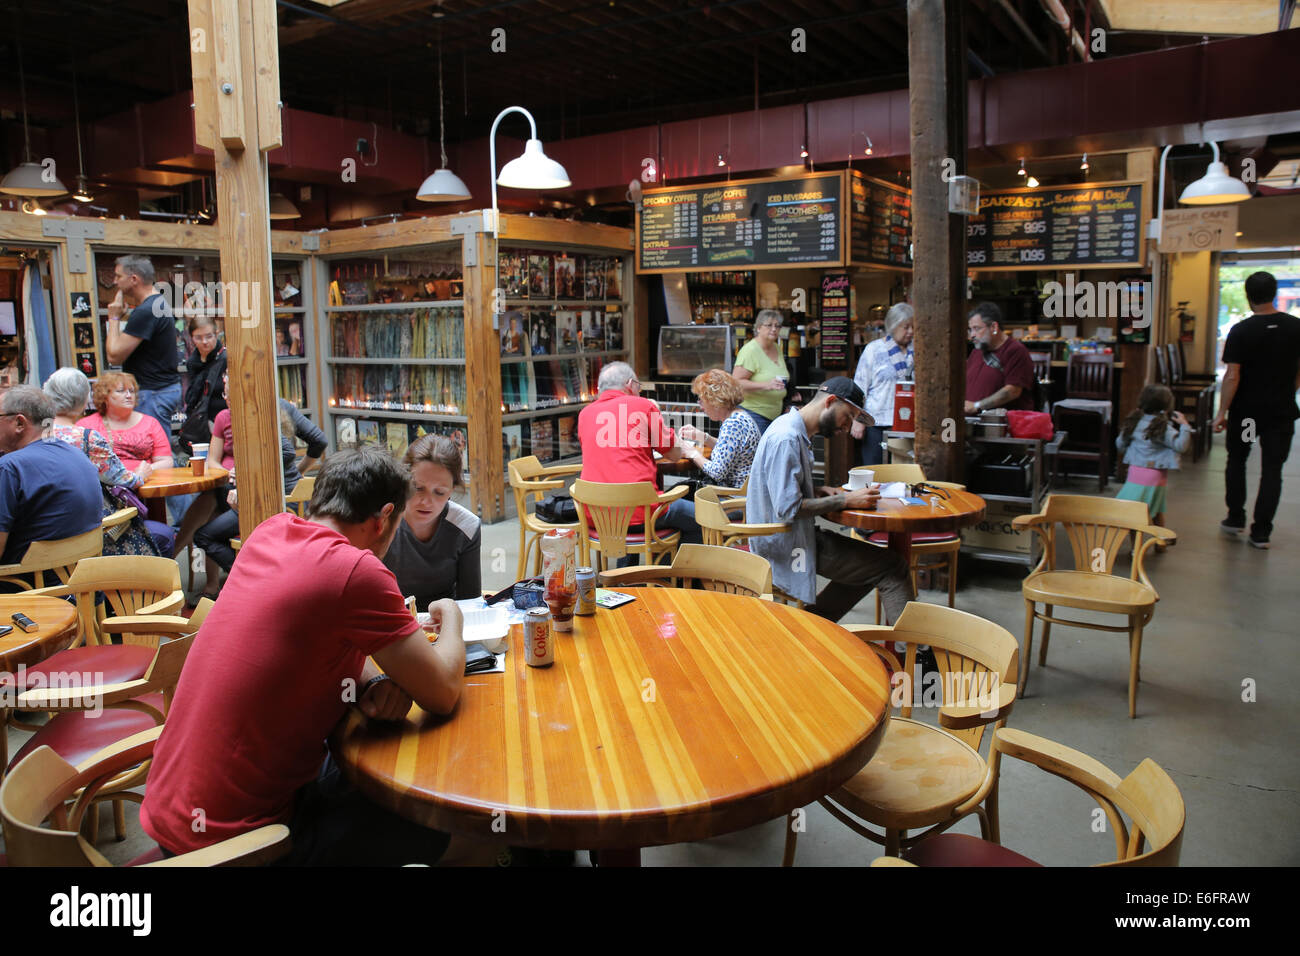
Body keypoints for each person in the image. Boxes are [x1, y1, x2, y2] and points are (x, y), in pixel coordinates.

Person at [140, 446, 466, 866]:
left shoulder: (270, 532)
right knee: (440, 819)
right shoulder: (356, 571)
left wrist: (377, 679)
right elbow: (443, 692)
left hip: (171, 815)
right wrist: (453, 616)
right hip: (237, 846)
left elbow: (322, 635)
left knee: (361, 764)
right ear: (384, 517)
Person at [746, 377, 913, 623]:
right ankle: (917, 658)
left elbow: (782, 491)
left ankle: (814, 626)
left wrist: (818, 489)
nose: (847, 428)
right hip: (786, 546)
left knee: (875, 567)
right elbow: (788, 508)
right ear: (830, 401)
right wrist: (846, 500)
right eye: (847, 416)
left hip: (787, 537)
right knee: (891, 567)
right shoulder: (787, 438)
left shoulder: (789, 427)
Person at [192, 396, 328, 598]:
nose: (229, 402)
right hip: (294, 501)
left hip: (269, 503)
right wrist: (299, 473)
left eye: (231, 396)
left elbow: (280, 453)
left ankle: (255, 576)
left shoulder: (259, 417)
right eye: (226, 398)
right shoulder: (276, 408)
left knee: (203, 535)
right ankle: (259, 576)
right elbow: (316, 442)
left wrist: (245, 482)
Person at [43, 367, 172, 556]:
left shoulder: (36, 434)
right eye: (121, 391)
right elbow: (125, 480)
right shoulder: (86, 437)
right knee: (164, 535)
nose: (128, 395)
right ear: (84, 400)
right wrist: (140, 475)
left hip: (46, 528)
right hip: (87, 528)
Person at [1213, 271, 1300, 549]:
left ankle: (1235, 517)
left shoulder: (1242, 331)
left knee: (1238, 460)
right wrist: (1290, 391)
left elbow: (1232, 376)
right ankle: (1261, 533)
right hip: (1281, 414)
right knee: (1272, 470)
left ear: (1249, 296)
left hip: (1248, 416)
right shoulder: (1296, 328)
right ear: (1274, 294)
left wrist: (1221, 413)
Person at [576, 361, 699, 546]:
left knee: (632, 505)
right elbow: (674, 455)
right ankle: (670, 573)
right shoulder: (642, 406)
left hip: (595, 515)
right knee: (705, 517)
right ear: (630, 384)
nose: (639, 391)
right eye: (638, 386)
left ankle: (626, 572)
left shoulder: (584, 414)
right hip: (641, 513)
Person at [0, 386, 102, 568]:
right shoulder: (77, 455)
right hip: (81, 587)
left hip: (28, 589)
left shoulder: (10, 467)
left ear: (19, 423)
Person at [382, 434, 482, 608]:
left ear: (452, 489)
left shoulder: (467, 526)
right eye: (418, 488)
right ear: (403, 481)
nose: (426, 502)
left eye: (439, 492)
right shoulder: (382, 520)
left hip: (444, 623)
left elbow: (470, 603)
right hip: (389, 621)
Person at [103, 254, 181, 437]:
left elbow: (114, 355)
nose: (115, 281)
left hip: (153, 392)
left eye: (118, 276)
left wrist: (113, 317)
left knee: (156, 451)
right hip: (160, 390)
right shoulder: (158, 304)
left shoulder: (146, 310)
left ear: (134, 279)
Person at [1114, 385, 1192, 527]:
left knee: (1134, 511)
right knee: (1157, 508)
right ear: (1167, 406)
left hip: (1135, 472)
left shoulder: (1133, 422)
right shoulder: (1162, 427)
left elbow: (1119, 444)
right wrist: (1185, 425)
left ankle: (1134, 548)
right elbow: (1181, 446)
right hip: (1156, 475)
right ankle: (1160, 542)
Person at [852, 302, 915, 464]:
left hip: (907, 424)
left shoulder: (917, 351)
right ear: (893, 326)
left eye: (913, 327)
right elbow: (859, 387)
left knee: (902, 476)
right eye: (906, 327)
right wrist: (858, 421)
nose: (911, 332)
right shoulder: (874, 349)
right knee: (876, 475)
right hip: (877, 423)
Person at [678, 368, 761, 489]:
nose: (700, 406)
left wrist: (692, 453)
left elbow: (717, 472)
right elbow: (728, 450)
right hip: (743, 495)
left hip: (733, 499)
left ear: (714, 400)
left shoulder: (733, 424)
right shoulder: (740, 416)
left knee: (675, 504)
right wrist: (703, 437)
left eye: (701, 400)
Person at [76, 371, 173, 474]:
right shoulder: (85, 426)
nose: (128, 395)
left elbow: (166, 461)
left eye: (131, 391)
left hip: (145, 483)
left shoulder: (151, 423)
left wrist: (144, 472)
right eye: (120, 391)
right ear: (105, 396)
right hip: (103, 485)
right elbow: (76, 463)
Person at [964, 302, 1035, 414]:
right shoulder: (976, 352)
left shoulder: (1016, 351)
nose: (972, 335)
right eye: (970, 329)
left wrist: (977, 406)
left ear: (994, 327)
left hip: (1001, 424)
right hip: (973, 420)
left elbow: (1013, 391)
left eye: (976, 328)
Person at [732, 309, 791, 431]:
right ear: (758, 328)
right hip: (754, 415)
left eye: (777, 326)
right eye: (769, 325)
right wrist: (767, 385)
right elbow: (736, 383)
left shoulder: (776, 347)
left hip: (775, 416)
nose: (774, 329)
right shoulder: (750, 351)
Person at [178, 315, 227, 455]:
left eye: (209, 336)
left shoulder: (225, 359)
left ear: (217, 334)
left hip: (222, 422)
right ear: (191, 337)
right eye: (198, 338)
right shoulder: (193, 363)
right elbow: (192, 398)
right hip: (202, 424)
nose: (204, 342)